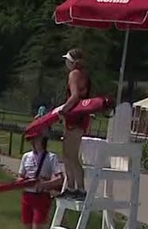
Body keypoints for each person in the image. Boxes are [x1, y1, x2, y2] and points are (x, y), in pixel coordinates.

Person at [16, 133, 64, 229]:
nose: (34, 142)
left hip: (41, 197)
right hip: (27, 196)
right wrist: (23, 181)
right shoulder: (26, 157)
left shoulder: (51, 158)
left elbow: (60, 178)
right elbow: (20, 176)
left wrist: (46, 184)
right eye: (33, 139)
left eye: (37, 138)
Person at [58, 48, 91, 199]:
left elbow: (75, 96)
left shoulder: (74, 74)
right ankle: (75, 187)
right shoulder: (84, 75)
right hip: (81, 119)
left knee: (69, 156)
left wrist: (62, 109)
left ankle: (76, 188)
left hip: (74, 119)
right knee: (70, 155)